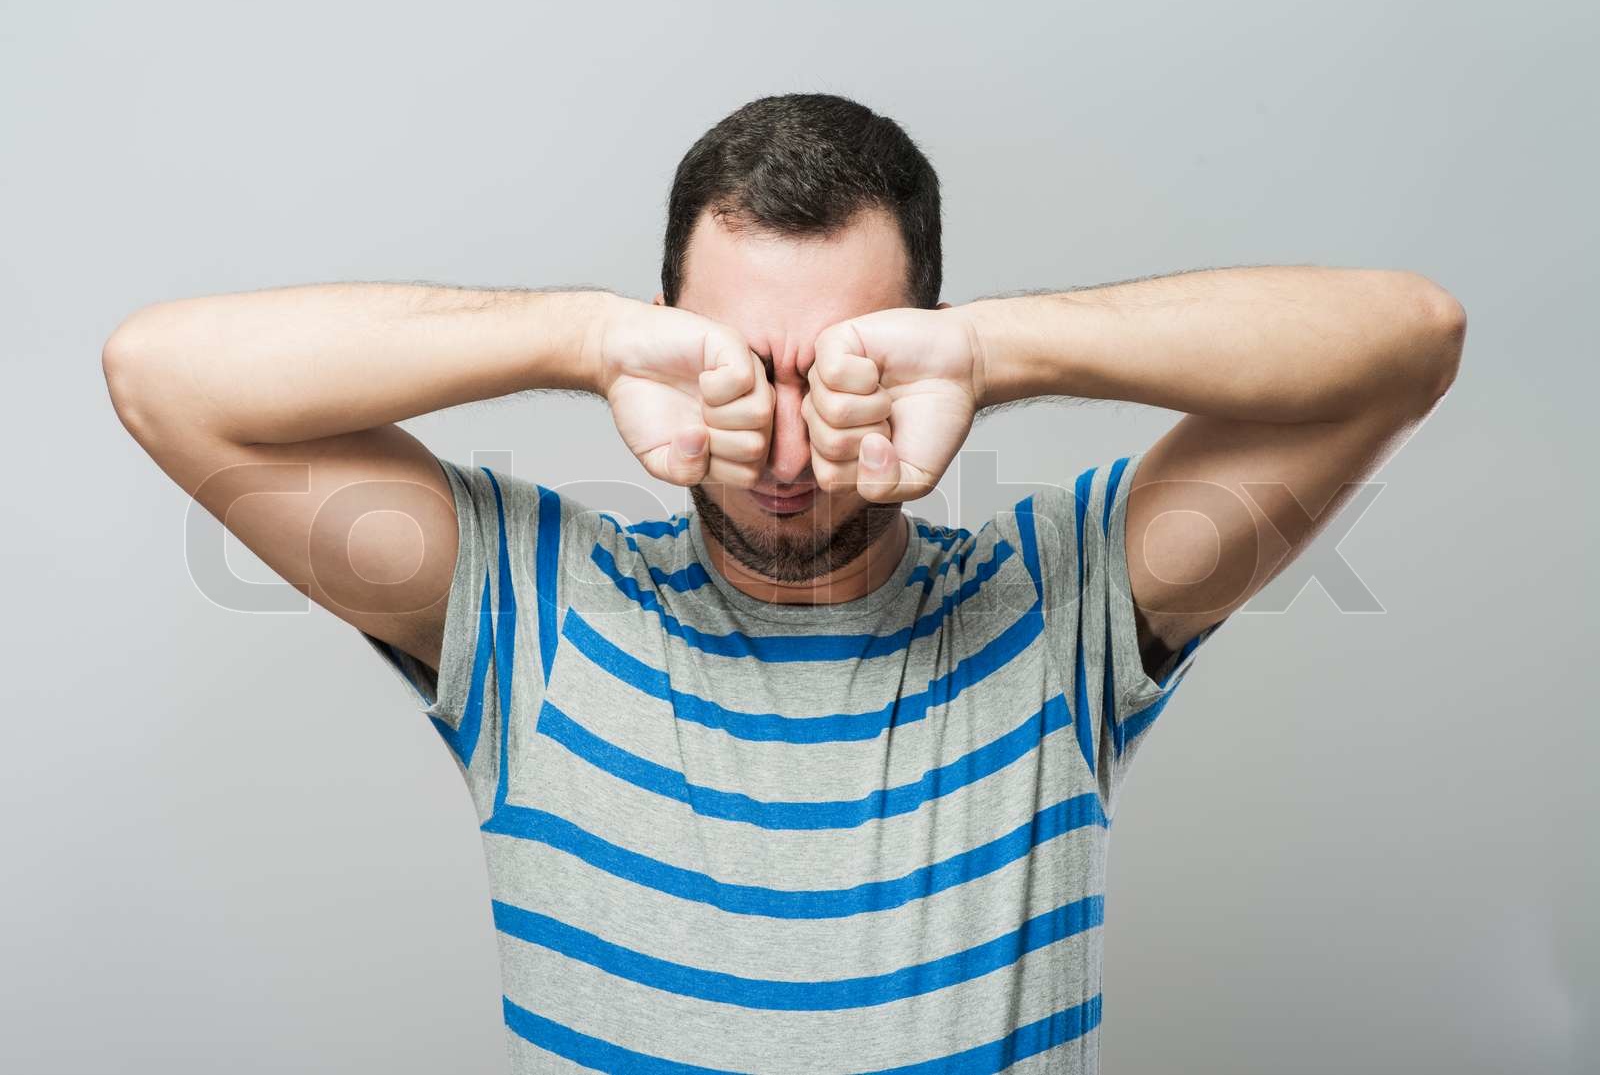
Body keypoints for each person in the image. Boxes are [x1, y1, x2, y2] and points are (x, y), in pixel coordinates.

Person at [101, 93, 1465, 1074]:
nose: (794, 449)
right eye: (742, 370)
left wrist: (992, 352)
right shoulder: (537, 614)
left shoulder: (1056, 608)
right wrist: (578, 339)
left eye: (843, 369)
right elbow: (162, 377)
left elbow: (1409, 339)